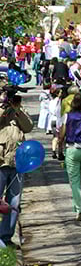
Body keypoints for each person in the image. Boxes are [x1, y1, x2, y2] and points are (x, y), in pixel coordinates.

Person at [0, 93, 34, 247]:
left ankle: (6, 237)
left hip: (16, 163)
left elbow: (28, 126)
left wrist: (17, 110)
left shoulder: (18, 111)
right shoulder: (2, 111)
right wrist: (3, 107)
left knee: (14, 201)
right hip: (1, 162)